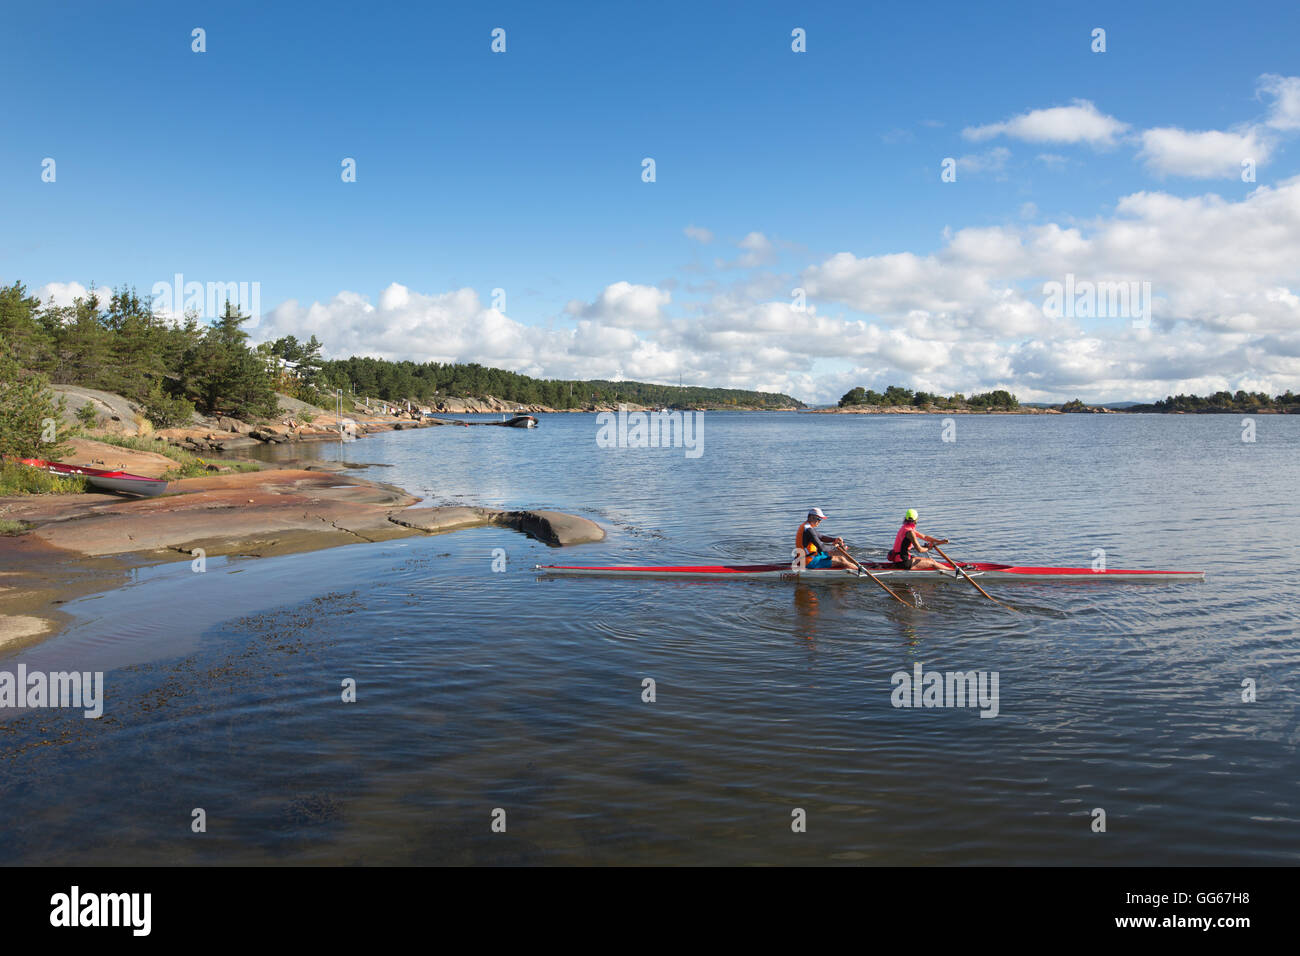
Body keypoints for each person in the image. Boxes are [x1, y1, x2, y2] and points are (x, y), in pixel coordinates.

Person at [795, 508, 860, 571]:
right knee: (841, 560)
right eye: (819, 519)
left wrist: (834, 539)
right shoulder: (808, 530)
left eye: (821, 519)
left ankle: (855, 566)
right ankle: (860, 570)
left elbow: (821, 537)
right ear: (811, 517)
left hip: (811, 557)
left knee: (839, 553)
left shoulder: (806, 526)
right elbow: (821, 548)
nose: (820, 521)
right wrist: (835, 546)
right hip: (809, 562)